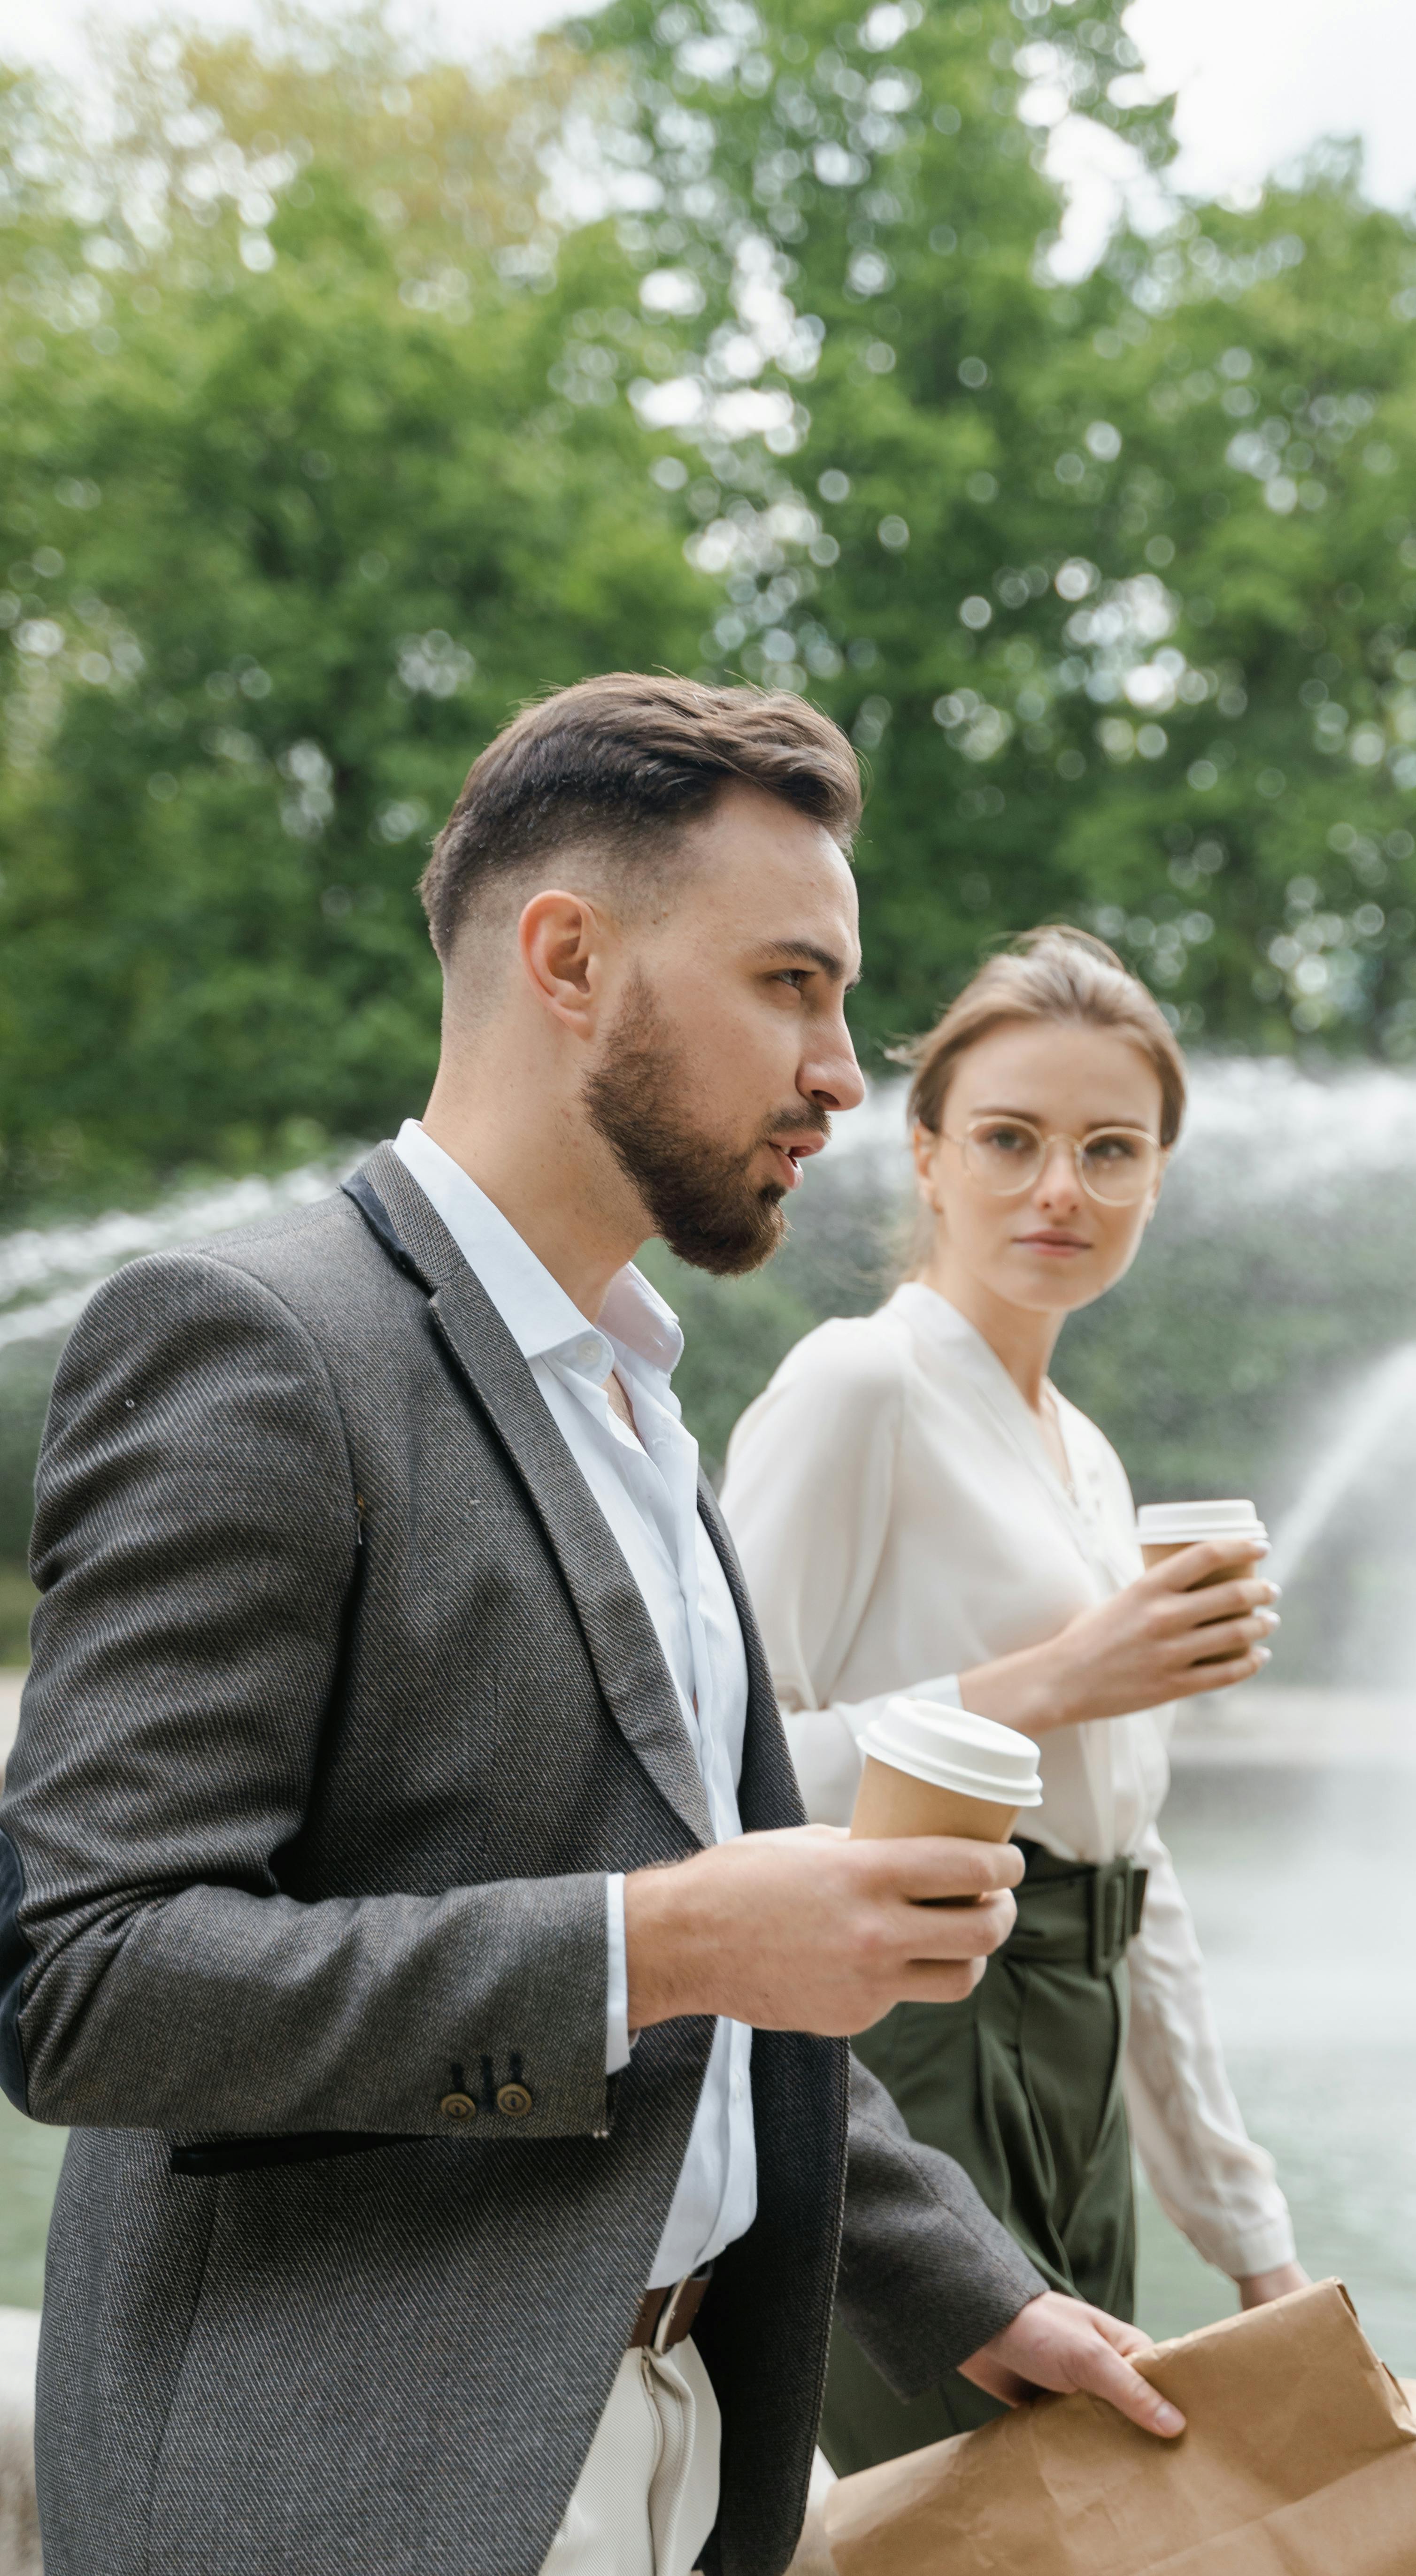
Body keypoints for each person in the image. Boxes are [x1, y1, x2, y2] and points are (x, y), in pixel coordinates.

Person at [0, 688, 1191, 2576]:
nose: (836, 1073)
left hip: (680, 2447)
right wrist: (666, 1937)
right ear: (569, 957)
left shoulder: (639, 1393)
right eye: (791, 985)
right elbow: (93, 1980)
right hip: (361, 2500)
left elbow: (731, 1983)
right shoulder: (248, 1342)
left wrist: (971, 2285)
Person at [721, 926, 1310, 2477]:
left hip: (1077, 2058)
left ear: (1157, 1182)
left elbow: (1135, 1878)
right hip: (908, 2047)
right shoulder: (858, 1388)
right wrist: (1052, 1684)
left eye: (1112, 1150)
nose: (1063, 1188)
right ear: (924, 1158)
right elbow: (709, 1788)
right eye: (1011, 1140)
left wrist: (1253, 2243)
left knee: (1079, 2512)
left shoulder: (1094, 1463)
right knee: (949, 2514)